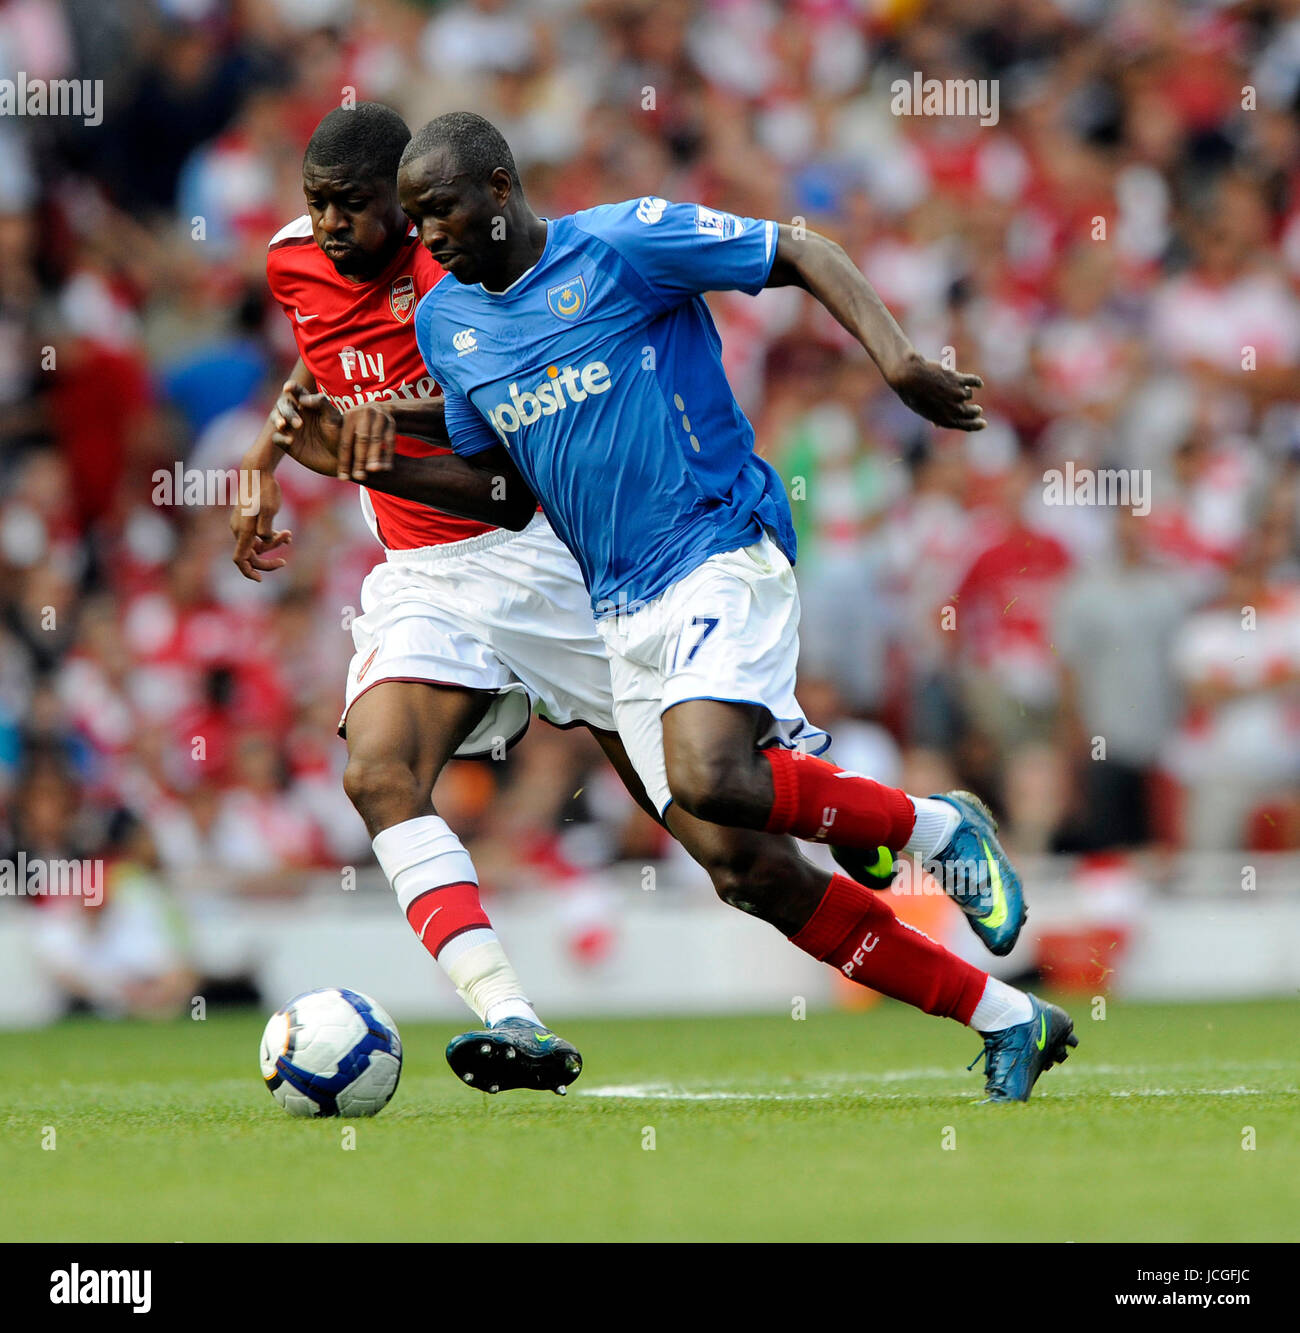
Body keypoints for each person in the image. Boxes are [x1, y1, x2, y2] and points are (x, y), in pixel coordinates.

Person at [279, 111, 1075, 1102]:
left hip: (716, 547)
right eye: (417, 219)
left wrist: (898, 357)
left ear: (499, 188)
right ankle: (1005, 1015)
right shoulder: (449, 326)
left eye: (441, 211)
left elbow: (800, 249)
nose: (430, 237)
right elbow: (501, 483)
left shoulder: (620, 242)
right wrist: (363, 449)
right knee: (745, 869)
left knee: (711, 771)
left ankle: (934, 828)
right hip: (616, 606)